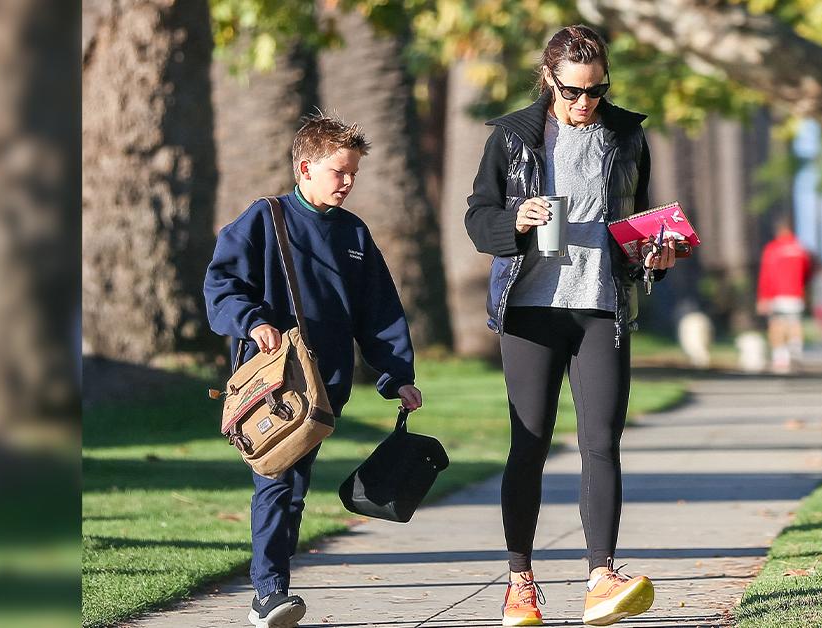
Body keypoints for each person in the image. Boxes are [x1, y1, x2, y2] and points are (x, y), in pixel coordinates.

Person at [465, 25, 679, 627]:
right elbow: (478, 219)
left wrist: (655, 252)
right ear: (548, 81)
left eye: (596, 90)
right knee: (529, 443)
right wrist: (518, 218)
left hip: (601, 306)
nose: (585, 103)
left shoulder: (627, 135)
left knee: (601, 443)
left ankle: (600, 577)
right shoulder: (512, 137)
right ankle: (520, 583)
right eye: (573, 91)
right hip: (530, 308)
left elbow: (642, 220)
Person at [204, 114, 423, 628]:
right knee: (279, 479)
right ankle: (268, 594)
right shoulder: (263, 218)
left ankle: (272, 588)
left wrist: (397, 374)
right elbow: (221, 285)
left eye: (353, 174)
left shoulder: (353, 233)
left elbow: (379, 310)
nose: (347, 182)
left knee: (294, 484)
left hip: (326, 388)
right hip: (274, 384)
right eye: (338, 172)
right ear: (305, 167)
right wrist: (252, 321)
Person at [756, 216, 813, 373]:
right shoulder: (800, 249)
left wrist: (763, 297)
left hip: (777, 295)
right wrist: (804, 288)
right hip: (796, 294)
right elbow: (808, 272)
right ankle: (796, 351)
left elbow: (766, 275)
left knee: (777, 324)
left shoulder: (772, 249)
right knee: (795, 323)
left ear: (779, 231)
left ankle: (780, 356)